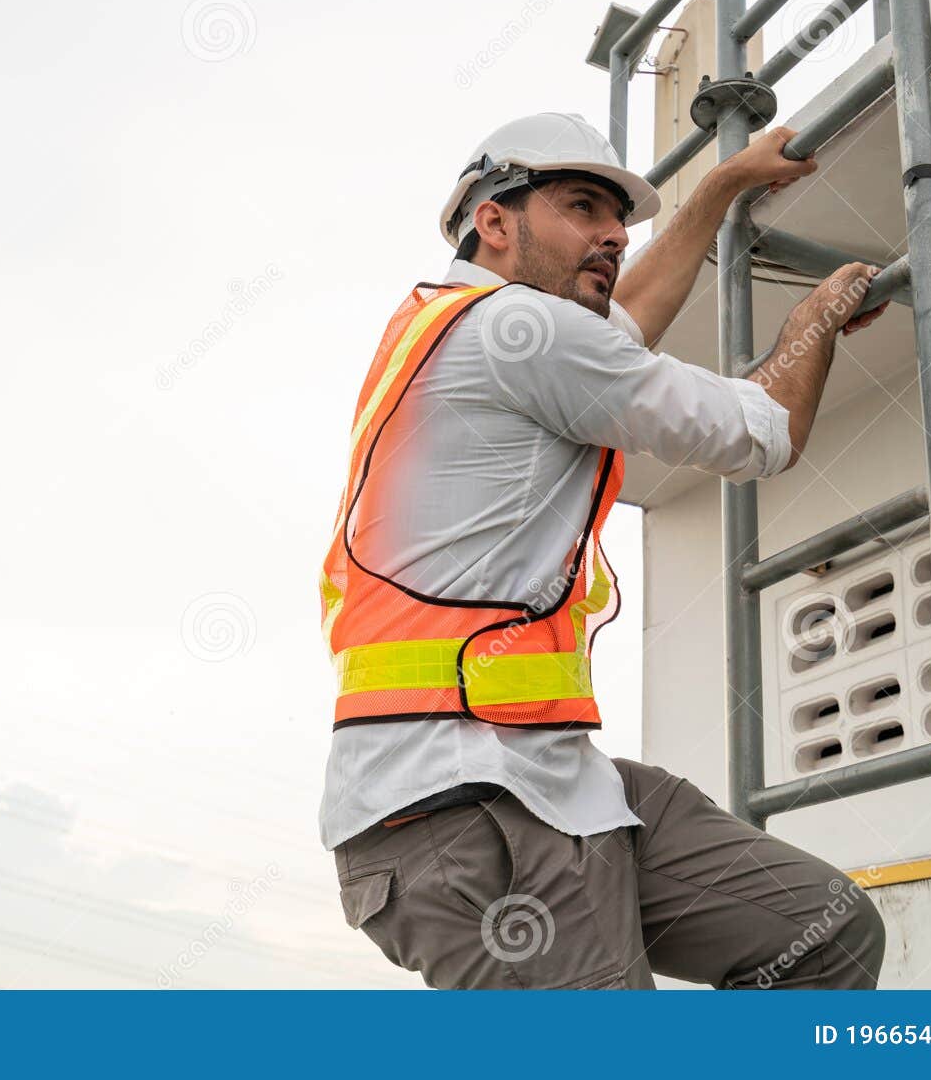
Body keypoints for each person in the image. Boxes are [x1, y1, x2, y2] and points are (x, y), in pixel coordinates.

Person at [318, 112, 889, 989]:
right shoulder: (522, 331)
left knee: (824, 931)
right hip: (464, 807)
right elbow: (762, 432)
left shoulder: (464, 325)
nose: (615, 234)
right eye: (583, 207)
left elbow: (628, 317)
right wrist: (814, 317)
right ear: (495, 221)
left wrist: (721, 187)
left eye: (619, 220)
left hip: (546, 778)